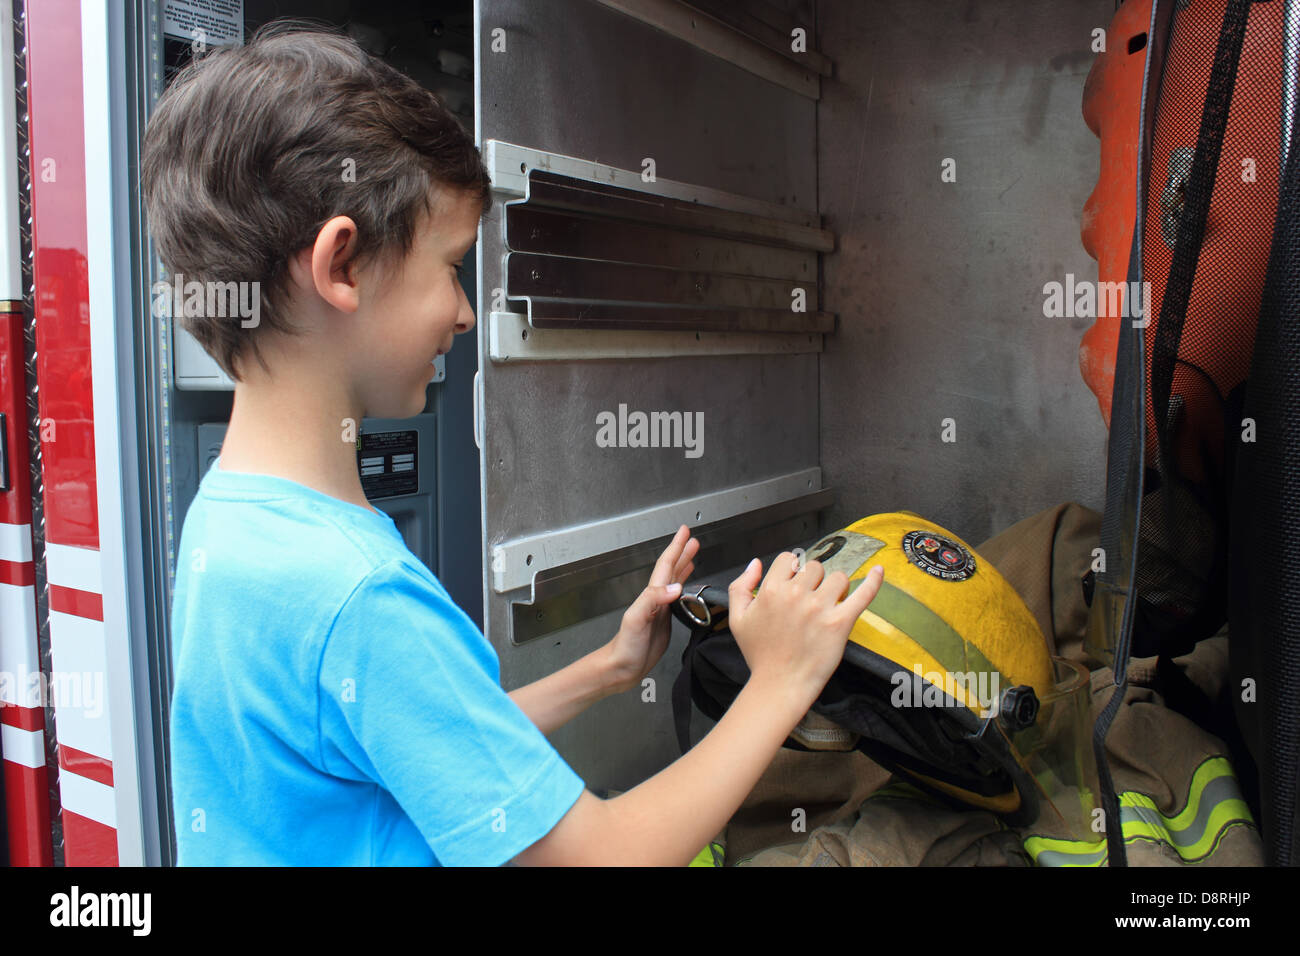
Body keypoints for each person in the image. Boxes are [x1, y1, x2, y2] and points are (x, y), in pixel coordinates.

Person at [144, 21, 885, 866]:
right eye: (451, 265)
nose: (463, 312)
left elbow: (429, 757)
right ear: (341, 267)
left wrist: (607, 666)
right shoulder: (360, 597)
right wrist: (784, 679)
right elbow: (599, 858)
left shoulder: (232, 524)